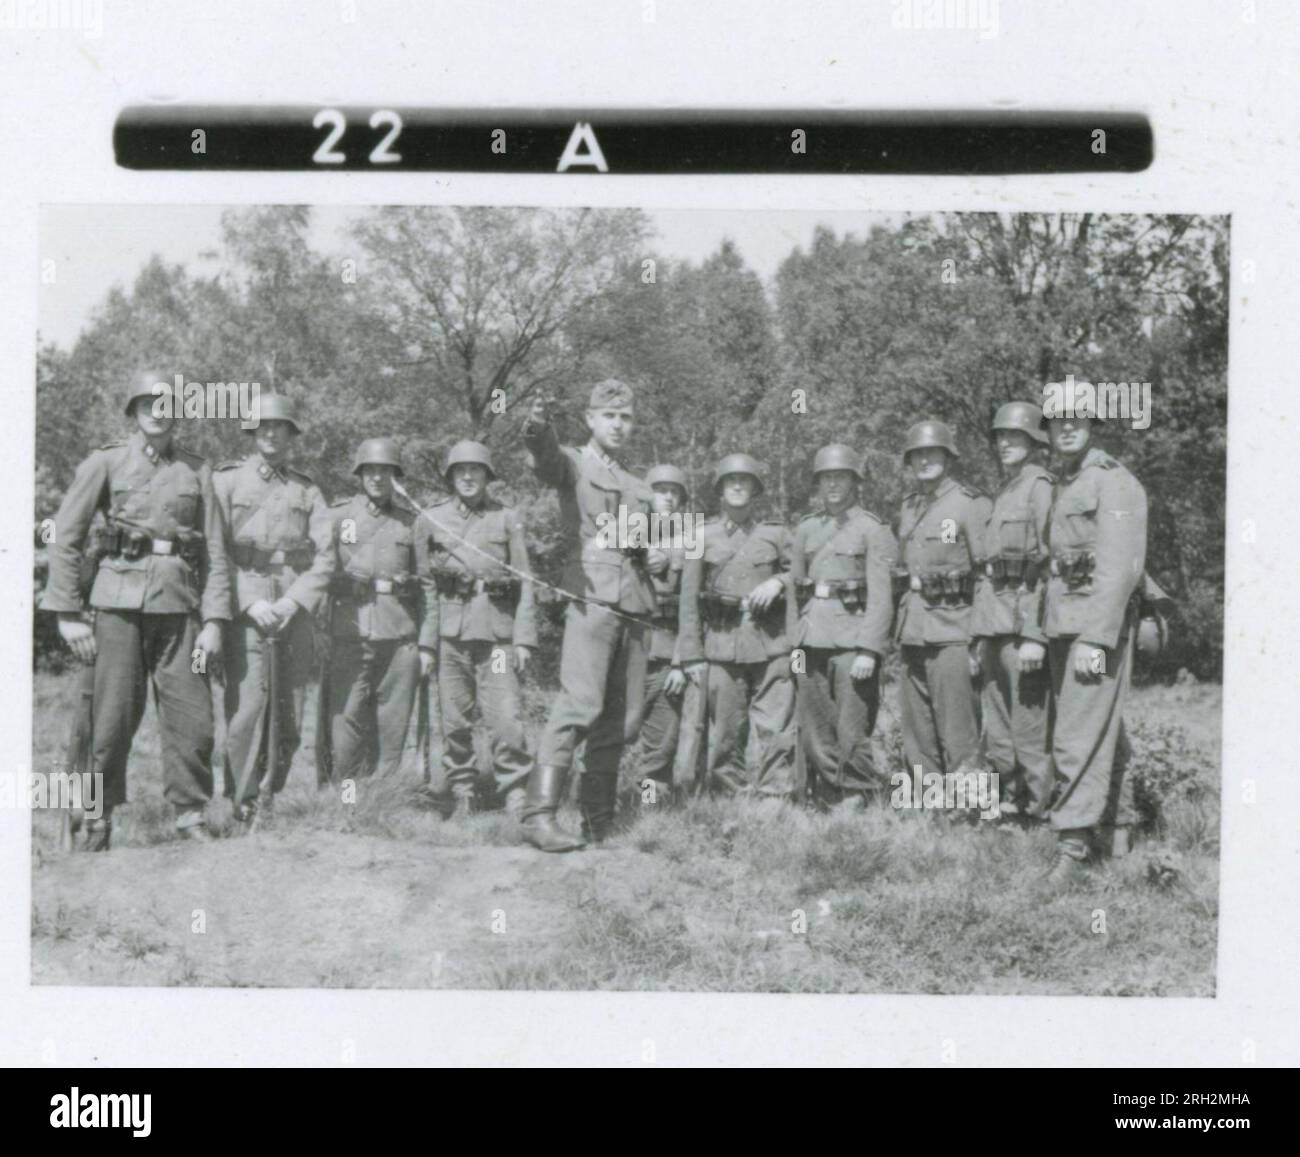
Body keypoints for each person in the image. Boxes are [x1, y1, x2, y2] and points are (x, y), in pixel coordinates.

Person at [40, 370, 230, 848]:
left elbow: (215, 550)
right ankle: (99, 816)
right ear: (133, 411)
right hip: (116, 605)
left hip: (180, 607)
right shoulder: (105, 462)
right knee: (112, 716)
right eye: (147, 403)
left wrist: (214, 620)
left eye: (165, 403)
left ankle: (190, 814)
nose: (156, 411)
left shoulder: (196, 469)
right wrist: (65, 613)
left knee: (194, 714)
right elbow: (66, 536)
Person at [518, 380, 658, 851]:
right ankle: (538, 816)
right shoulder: (575, 465)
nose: (618, 425)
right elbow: (546, 460)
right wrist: (537, 427)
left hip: (636, 605)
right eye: (609, 416)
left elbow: (659, 545)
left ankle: (598, 821)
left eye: (626, 417)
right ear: (590, 420)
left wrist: (659, 553)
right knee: (579, 705)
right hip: (592, 599)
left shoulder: (639, 486)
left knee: (621, 720)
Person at [213, 394, 333, 827]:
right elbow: (216, 550)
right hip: (247, 606)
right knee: (248, 707)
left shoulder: (307, 489)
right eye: (263, 425)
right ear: (251, 431)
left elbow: (325, 556)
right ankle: (242, 802)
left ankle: (270, 793)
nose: (270, 432)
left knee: (291, 709)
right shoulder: (225, 483)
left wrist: (293, 601)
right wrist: (250, 601)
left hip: (292, 606)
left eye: (279, 426)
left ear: (291, 435)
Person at [1041, 408, 1147, 881]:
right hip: (1065, 619)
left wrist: (1096, 638)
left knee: (1076, 734)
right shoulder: (1068, 481)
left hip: (1093, 628)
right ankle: (1119, 828)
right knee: (1099, 726)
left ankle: (1074, 847)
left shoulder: (1114, 481)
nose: (1066, 427)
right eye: (1057, 420)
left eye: (1077, 419)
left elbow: (1120, 567)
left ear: (1093, 426)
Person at [415, 439, 537, 817]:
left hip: (497, 639)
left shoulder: (506, 518)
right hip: (451, 636)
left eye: (476, 471)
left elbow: (525, 581)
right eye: (460, 471)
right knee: (454, 719)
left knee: (505, 717)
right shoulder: (428, 520)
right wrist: (427, 644)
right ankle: (463, 789)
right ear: (451, 477)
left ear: (487, 476)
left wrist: (524, 638)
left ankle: (514, 790)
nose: (468, 477)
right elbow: (425, 586)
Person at [678, 454, 798, 799]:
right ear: (720, 489)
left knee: (774, 726)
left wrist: (779, 581)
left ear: (755, 490)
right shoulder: (700, 536)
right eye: (730, 481)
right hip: (721, 644)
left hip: (771, 643)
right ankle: (729, 796)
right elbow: (688, 602)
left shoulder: (775, 534)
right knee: (726, 731)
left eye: (745, 481)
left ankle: (775, 796)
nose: (737, 486)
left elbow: (800, 574)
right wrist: (691, 656)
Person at [791, 444, 898, 807]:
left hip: (853, 640)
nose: (833, 485)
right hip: (810, 639)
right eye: (826, 478)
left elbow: (883, 596)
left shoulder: (873, 529)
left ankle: (857, 793)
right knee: (815, 726)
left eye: (840, 477)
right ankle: (828, 791)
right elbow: (796, 588)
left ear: (855, 482)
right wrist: (795, 643)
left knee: (852, 728)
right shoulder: (806, 528)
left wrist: (870, 649)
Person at [970, 401, 1055, 824]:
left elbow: (1049, 566)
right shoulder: (1003, 493)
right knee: (999, 728)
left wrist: (1036, 635)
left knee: (1029, 727)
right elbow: (989, 571)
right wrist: (977, 635)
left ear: (1035, 441)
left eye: (1014, 436)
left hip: (1023, 626)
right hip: (994, 625)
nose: (1005, 443)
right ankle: (1010, 803)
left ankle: (1040, 814)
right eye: (1000, 437)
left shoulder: (1040, 487)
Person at [893, 420, 992, 783]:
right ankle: (928, 806)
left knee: (959, 727)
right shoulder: (909, 506)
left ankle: (966, 810)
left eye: (932, 453)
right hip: (913, 627)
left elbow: (986, 576)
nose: (924, 461)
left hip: (954, 627)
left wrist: (978, 641)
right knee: (917, 729)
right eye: (917, 454)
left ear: (948, 457)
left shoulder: (970, 504)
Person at [322, 437, 424, 783]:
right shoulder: (338, 515)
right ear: (360, 474)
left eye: (385, 471)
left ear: (395, 476)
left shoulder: (411, 522)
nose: (377, 478)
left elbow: (427, 587)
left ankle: (384, 796)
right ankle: (346, 794)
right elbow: (319, 572)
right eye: (370, 470)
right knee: (347, 718)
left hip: (399, 633)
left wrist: (427, 643)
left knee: (393, 721)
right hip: (350, 630)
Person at [630, 464, 692, 804]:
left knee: (662, 735)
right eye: (660, 489)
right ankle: (599, 802)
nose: (667, 497)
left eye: (674, 491)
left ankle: (650, 803)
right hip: (629, 651)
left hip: (668, 652)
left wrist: (683, 662)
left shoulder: (691, 540)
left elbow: (693, 606)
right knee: (614, 729)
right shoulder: (626, 534)